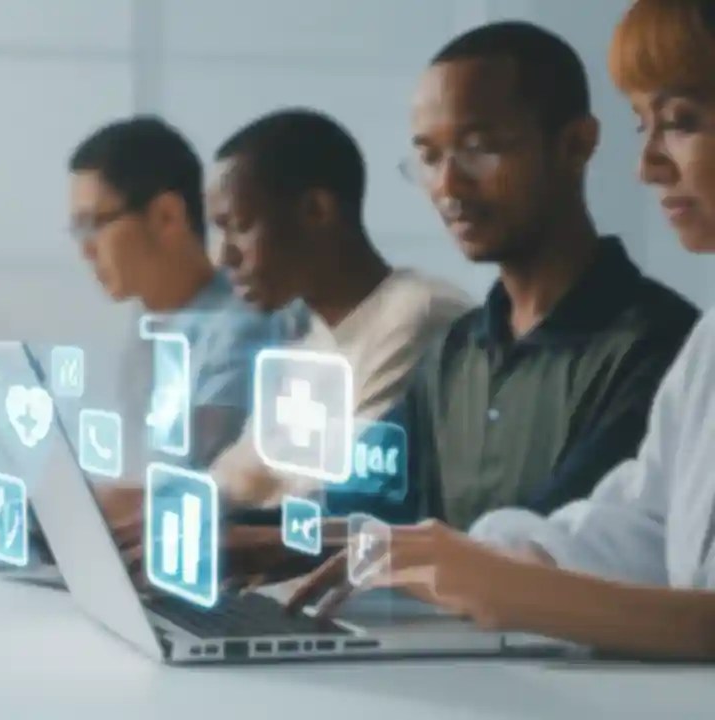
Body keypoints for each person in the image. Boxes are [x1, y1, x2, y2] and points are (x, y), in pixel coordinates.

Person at [280, 0, 715, 660]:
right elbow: (639, 525)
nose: (647, 166)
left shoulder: (655, 340)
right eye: (644, 127)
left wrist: (500, 583)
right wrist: (481, 557)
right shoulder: (706, 346)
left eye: (681, 123)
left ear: (573, 145)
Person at [0, 116, 280, 524]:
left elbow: (182, 492)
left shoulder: (239, 329)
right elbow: (129, 477)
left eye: (94, 225)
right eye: (77, 232)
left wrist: (14, 512)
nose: (86, 251)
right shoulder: (152, 332)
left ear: (166, 215)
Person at [204, 109, 473, 508]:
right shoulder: (306, 346)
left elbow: (342, 503)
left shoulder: (416, 314)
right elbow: (235, 481)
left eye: (240, 226)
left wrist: (259, 498)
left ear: (317, 211)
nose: (223, 256)